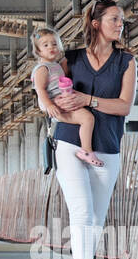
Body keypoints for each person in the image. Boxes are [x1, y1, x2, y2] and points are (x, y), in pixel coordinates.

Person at [50, 0, 137, 259]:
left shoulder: (127, 61)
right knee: (82, 210)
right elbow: (47, 90)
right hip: (70, 141)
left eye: (122, 20)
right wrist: (53, 106)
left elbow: (124, 106)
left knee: (97, 219)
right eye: (114, 19)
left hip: (108, 145)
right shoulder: (70, 59)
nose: (120, 24)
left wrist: (87, 100)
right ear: (96, 24)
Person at [31, 27, 102, 166]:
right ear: (38, 51)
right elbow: (40, 89)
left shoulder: (53, 65)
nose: (51, 47)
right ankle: (86, 151)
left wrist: (64, 64)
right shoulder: (42, 69)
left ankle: (86, 150)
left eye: (54, 44)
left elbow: (64, 76)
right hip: (57, 107)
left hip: (62, 102)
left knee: (87, 116)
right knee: (87, 118)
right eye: (45, 45)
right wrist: (50, 105)